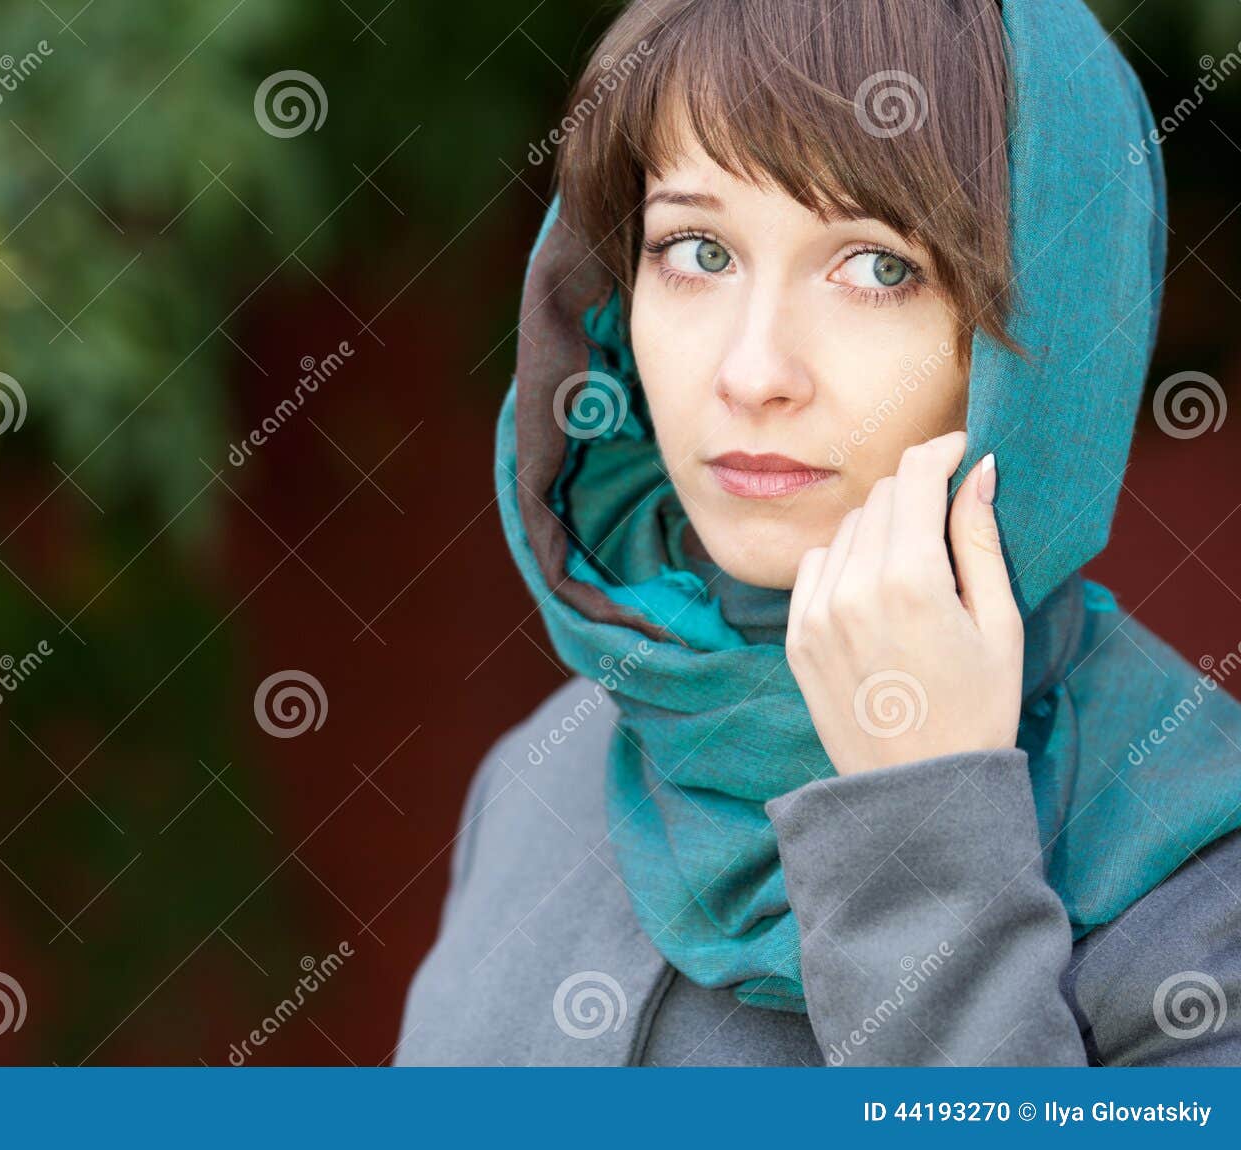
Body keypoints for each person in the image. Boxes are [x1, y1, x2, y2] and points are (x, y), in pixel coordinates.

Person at [395, 0, 1241, 1066]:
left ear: (1059, 338)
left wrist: (926, 831)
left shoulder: (1200, 883)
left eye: (878, 267)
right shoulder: (545, 776)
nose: (752, 371)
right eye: (695, 249)